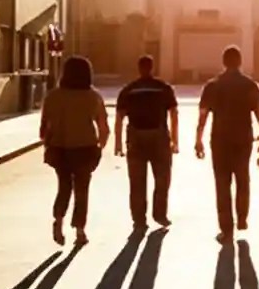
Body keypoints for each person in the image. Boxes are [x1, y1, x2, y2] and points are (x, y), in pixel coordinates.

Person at [196, 45, 259, 244]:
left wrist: (198, 139)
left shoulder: (212, 85)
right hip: (243, 139)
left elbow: (203, 115)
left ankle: (226, 228)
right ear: (240, 62)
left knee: (222, 184)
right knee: (243, 178)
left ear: (223, 62)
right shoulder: (250, 85)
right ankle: (242, 218)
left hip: (220, 140)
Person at [40, 55, 109, 246]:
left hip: (59, 148)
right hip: (85, 148)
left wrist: (48, 143)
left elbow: (44, 128)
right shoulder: (93, 96)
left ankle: (59, 219)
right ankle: (80, 230)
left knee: (64, 186)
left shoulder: (53, 96)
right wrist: (100, 147)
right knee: (82, 190)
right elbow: (103, 127)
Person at [114, 54, 178, 231]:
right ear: (152, 68)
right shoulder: (163, 88)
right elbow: (173, 113)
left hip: (135, 137)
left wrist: (118, 143)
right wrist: (175, 140)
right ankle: (160, 214)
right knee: (162, 179)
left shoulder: (129, 89)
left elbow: (119, 117)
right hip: (159, 137)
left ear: (139, 68)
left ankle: (139, 219)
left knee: (136, 182)